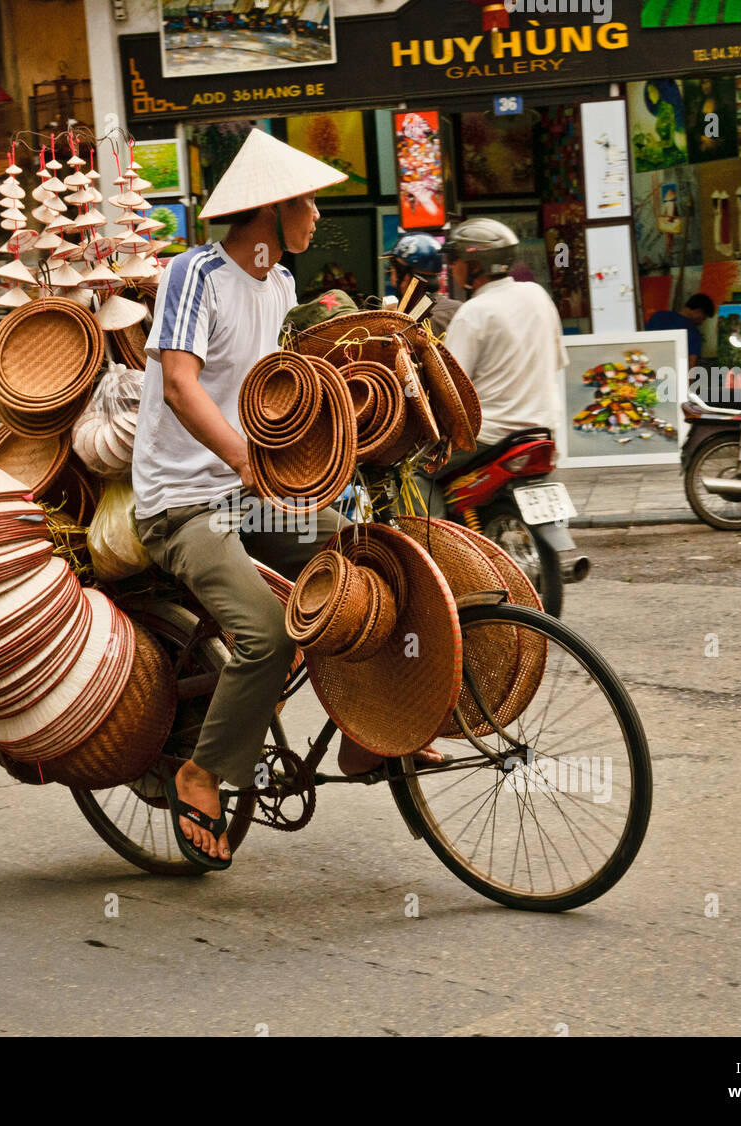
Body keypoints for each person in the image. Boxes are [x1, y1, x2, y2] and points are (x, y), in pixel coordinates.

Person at [132, 129, 439, 870]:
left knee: (373, 562)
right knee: (267, 634)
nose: (316, 222)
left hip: (252, 495)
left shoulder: (279, 286)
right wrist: (245, 460)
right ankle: (201, 773)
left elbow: (276, 395)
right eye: (309, 206)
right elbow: (179, 384)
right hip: (183, 503)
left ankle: (370, 731)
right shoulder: (193, 275)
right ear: (273, 210)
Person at [407, 218, 567, 517]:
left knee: (414, 471)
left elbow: (449, 389)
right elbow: (557, 362)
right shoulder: (539, 296)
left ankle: (438, 549)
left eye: (455, 260)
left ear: (474, 265)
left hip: (490, 436)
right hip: (543, 429)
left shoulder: (473, 312)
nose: (452, 267)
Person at [384, 233, 461, 337]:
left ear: (406, 278)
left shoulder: (406, 324)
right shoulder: (459, 309)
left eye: (391, 270)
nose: (390, 274)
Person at [645, 292, 714, 370]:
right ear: (698, 311)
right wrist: (689, 381)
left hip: (649, 369)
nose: (701, 323)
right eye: (703, 318)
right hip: (673, 375)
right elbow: (691, 363)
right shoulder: (693, 331)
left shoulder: (658, 316)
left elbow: (644, 343)